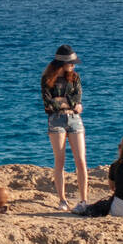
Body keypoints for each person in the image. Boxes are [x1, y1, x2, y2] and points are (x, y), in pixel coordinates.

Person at [41, 45, 88, 211]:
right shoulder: (47, 79)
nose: (73, 66)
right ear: (62, 64)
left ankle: (84, 200)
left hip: (74, 119)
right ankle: (62, 200)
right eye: (71, 63)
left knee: (81, 161)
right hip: (56, 120)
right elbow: (48, 104)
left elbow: (77, 101)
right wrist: (67, 103)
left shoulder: (75, 78)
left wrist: (61, 101)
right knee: (60, 161)